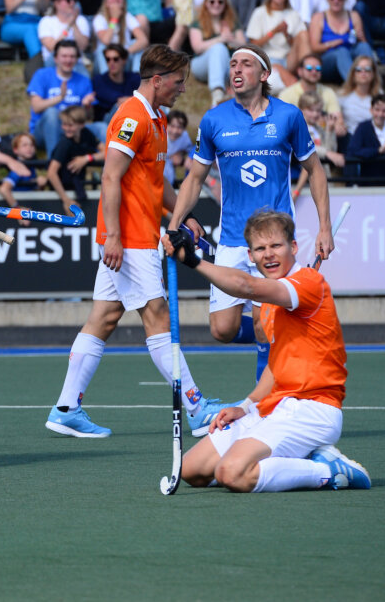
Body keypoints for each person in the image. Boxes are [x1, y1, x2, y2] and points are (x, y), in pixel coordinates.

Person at [46, 44, 225, 438]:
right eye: (178, 83)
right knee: (157, 316)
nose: (182, 89)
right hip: (130, 238)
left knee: (105, 318)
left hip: (136, 234)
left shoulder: (157, 117)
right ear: (157, 80)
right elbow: (110, 177)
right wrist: (113, 236)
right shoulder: (131, 115)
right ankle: (195, 407)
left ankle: (65, 408)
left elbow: (156, 185)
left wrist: (185, 214)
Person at [164, 209, 370, 494]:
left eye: (276, 246)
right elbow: (275, 368)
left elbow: (245, 285)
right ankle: (294, 455)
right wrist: (244, 406)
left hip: (314, 409)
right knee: (191, 470)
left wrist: (194, 261)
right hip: (274, 407)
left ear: (294, 247)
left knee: (231, 473)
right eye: (260, 249)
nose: (269, 255)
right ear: (250, 255)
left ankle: (329, 470)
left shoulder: (308, 283)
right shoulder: (273, 299)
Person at [168, 45, 334, 380]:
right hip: (231, 239)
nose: (236, 70)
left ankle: (265, 405)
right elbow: (195, 178)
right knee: (222, 329)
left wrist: (324, 228)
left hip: (273, 241)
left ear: (264, 74)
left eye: (245, 64)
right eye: (232, 64)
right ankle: (283, 338)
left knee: (263, 321)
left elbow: (316, 171)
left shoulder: (288, 115)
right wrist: (173, 227)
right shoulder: (214, 119)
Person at [27, 39, 94, 156]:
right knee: (52, 113)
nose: (68, 60)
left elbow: (89, 117)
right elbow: (36, 107)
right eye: (64, 56)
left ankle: (109, 170)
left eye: (72, 56)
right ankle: (54, 164)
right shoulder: (42, 75)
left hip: (73, 130)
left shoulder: (83, 80)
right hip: (43, 131)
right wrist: (60, 97)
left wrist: (87, 106)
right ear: (55, 58)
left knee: (102, 127)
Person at [307, 0, 372, 83]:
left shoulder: (354, 16)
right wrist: (331, 44)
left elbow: (362, 42)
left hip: (351, 57)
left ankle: (373, 82)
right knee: (341, 51)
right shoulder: (319, 18)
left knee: (364, 47)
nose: (336, 0)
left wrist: (361, 38)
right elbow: (314, 48)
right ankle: (354, 85)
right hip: (327, 62)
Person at [189, 0, 245, 106]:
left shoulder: (232, 22)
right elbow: (197, 48)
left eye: (220, 1)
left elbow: (244, 46)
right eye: (212, 1)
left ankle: (231, 95)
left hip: (227, 66)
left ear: (225, 4)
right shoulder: (198, 22)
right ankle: (217, 94)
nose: (216, 5)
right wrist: (220, 39)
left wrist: (231, 39)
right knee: (219, 48)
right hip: (201, 65)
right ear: (206, 4)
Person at [246, 0, 306, 85]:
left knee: (303, 34)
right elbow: (253, 45)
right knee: (276, 67)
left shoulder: (293, 14)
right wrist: (273, 32)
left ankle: (307, 73)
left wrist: (286, 34)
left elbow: (297, 44)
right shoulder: (260, 12)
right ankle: (297, 85)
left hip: (289, 59)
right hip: (268, 59)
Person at [46, 104, 104, 209]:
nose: (66, 128)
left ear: (81, 125)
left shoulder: (86, 134)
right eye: (64, 124)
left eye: (70, 125)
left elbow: (107, 152)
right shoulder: (64, 143)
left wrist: (86, 159)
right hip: (62, 191)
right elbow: (51, 173)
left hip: (78, 187)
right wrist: (66, 200)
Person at [280, 55, 345, 124]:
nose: (314, 72)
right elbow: (282, 123)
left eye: (318, 68)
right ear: (300, 71)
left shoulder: (328, 92)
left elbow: (338, 122)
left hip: (322, 133)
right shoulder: (286, 94)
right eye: (309, 68)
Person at [38, 0, 94, 66]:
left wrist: (74, 24)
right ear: (56, 3)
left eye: (73, 0)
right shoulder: (46, 21)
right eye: (68, 0)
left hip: (76, 62)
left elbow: (82, 46)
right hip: (53, 63)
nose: (72, 3)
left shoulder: (81, 20)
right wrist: (68, 27)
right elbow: (52, 48)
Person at [94, 0, 144, 69]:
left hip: (123, 59)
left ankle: (136, 77)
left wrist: (124, 54)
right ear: (106, 3)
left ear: (123, 2)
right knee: (101, 49)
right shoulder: (99, 18)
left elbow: (143, 40)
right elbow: (106, 40)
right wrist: (114, 19)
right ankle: (107, 80)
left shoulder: (128, 16)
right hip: (106, 61)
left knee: (137, 44)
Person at [338, 55, 383, 133]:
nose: (363, 72)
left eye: (368, 69)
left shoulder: (380, 95)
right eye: (358, 70)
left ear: (373, 73)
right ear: (353, 73)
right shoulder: (342, 95)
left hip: (372, 138)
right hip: (349, 137)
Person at [0, 132, 46, 206]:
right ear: (15, 150)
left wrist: (41, 185)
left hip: (29, 206)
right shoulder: (18, 170)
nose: (29, 148)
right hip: (20, 209)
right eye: (24, 145)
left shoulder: (31, 168)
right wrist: (17, 209)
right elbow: (4, 189)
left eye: (32, 145)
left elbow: (33, 193)